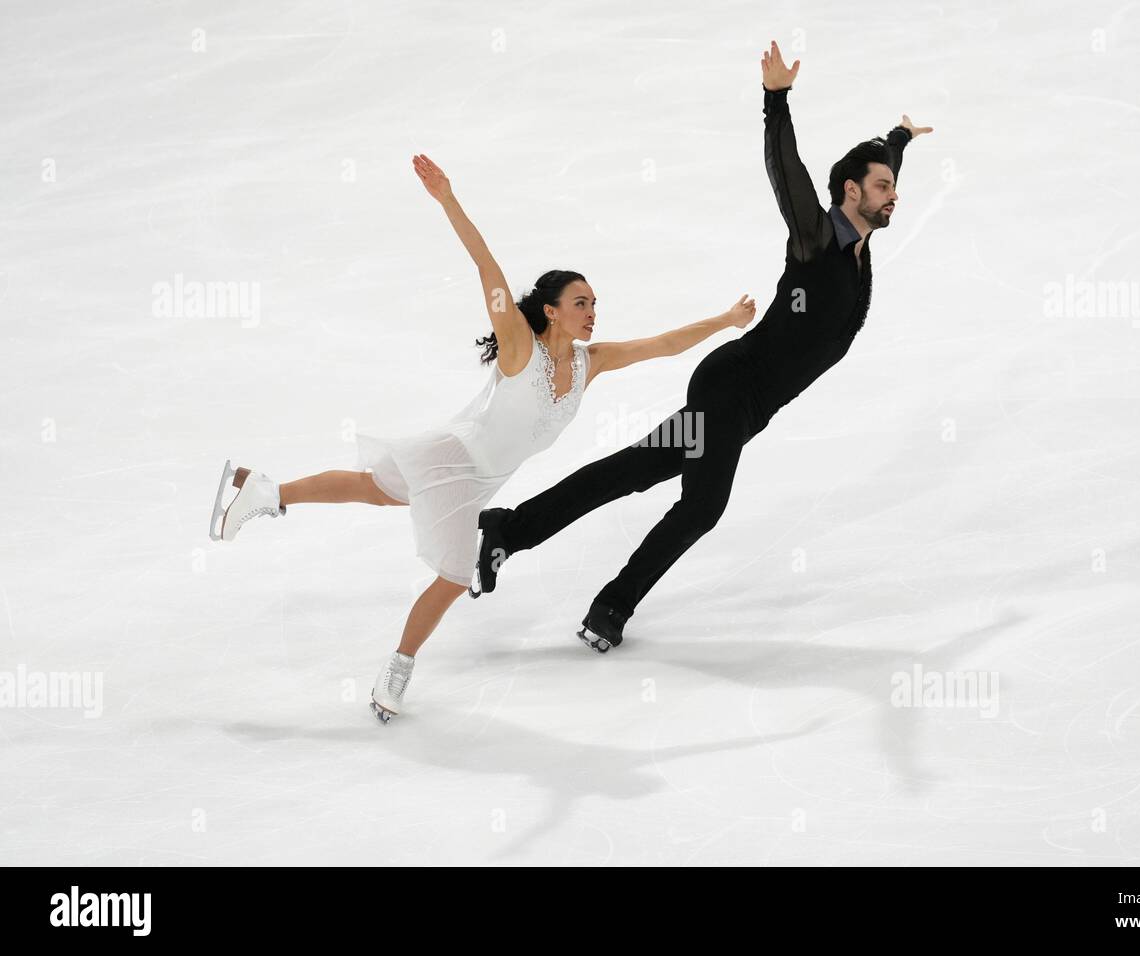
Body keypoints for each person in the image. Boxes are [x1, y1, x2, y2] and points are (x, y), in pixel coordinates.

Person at [207, 154, 756, 721]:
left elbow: (663, 345)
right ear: (551, 310)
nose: (592, 312)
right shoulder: (520, 345)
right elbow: (486, 266)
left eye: (595, 303)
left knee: (375, 489)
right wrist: (448, 199)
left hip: (476, 470)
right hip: (458, 462)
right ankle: (397, 670)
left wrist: (724, 320)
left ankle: (265, 493)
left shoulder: (592, 363)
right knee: (452, 572)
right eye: (581, 303)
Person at [471, 41, 934, 652]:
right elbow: (787, 174)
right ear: (851, 192)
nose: (893, 194)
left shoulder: (858, 247)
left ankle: (509, 529)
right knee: (703, 507)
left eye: (893, 185)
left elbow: (878, 167)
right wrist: (776, 100)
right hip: (732, 388)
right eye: (882, 186)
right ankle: (611, 607)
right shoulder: (817, 238)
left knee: (632, 471)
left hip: (747, 404)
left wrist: (897, 139)